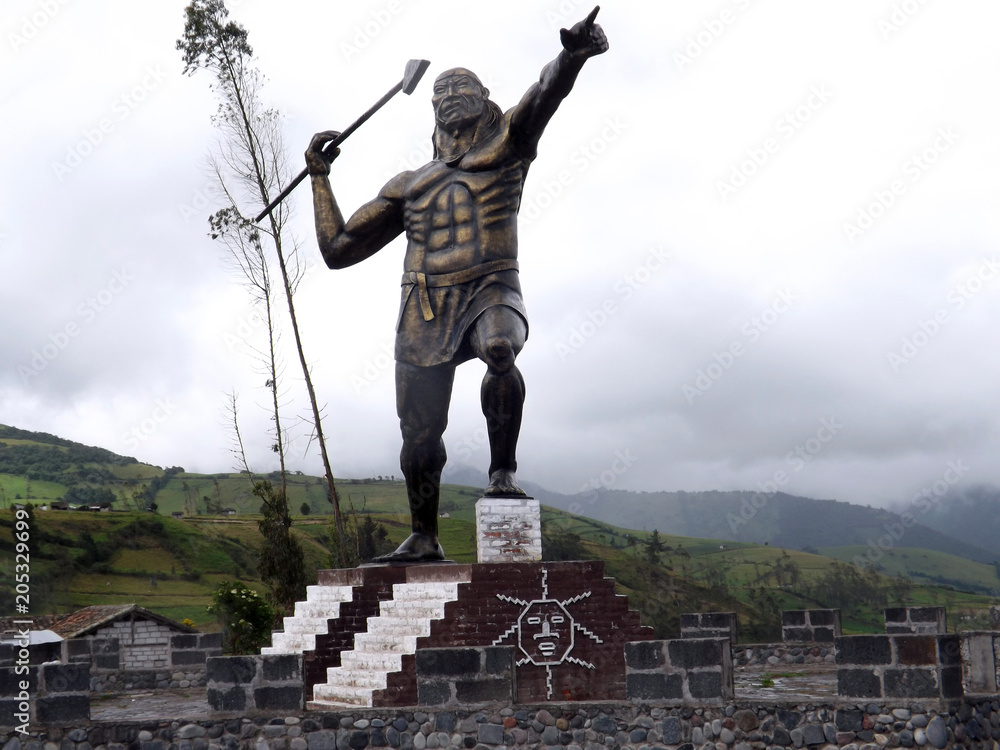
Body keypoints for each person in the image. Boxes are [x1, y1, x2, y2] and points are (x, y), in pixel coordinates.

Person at [306, 7, 608, 562]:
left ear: (484, 97)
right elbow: (338, 249)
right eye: (440, 91)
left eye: (460, 86)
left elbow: (545, 93)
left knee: (500, 347)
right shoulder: (409, 184)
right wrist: (320, 179)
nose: (449, 95)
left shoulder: (509, 144)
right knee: (418, 433)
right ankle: (424, 535)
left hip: (491, 285)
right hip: (423, 303)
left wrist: (571, 56)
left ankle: (501, 472)